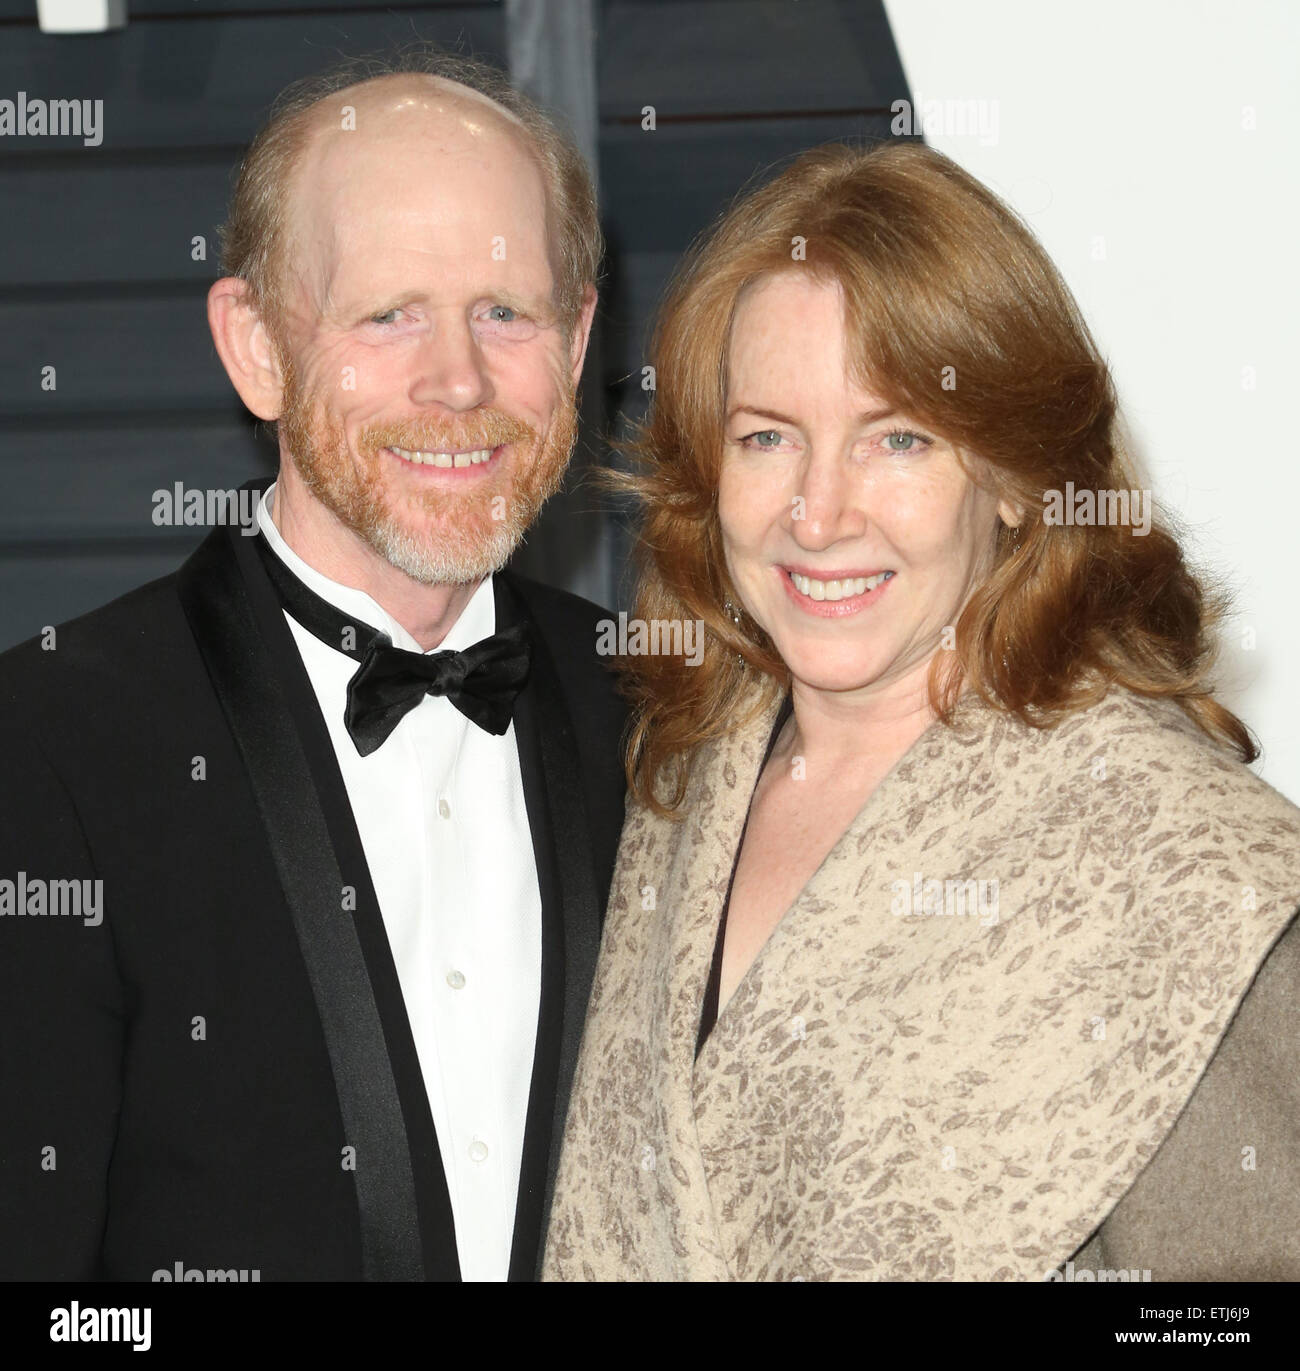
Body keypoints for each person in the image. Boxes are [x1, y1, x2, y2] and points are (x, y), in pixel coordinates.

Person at [542, 140, 1300, 1282]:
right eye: (766, 438)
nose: (819, 511)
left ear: (1008, 475)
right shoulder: (670, 790)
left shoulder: (1190, 871)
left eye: (897, 437)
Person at [0, 50, 626, 1282]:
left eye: (507, 312)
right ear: (257, 348)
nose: (458, 380)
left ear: (580, 336)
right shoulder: (47, 742)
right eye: (389, 313)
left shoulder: (676, 716)